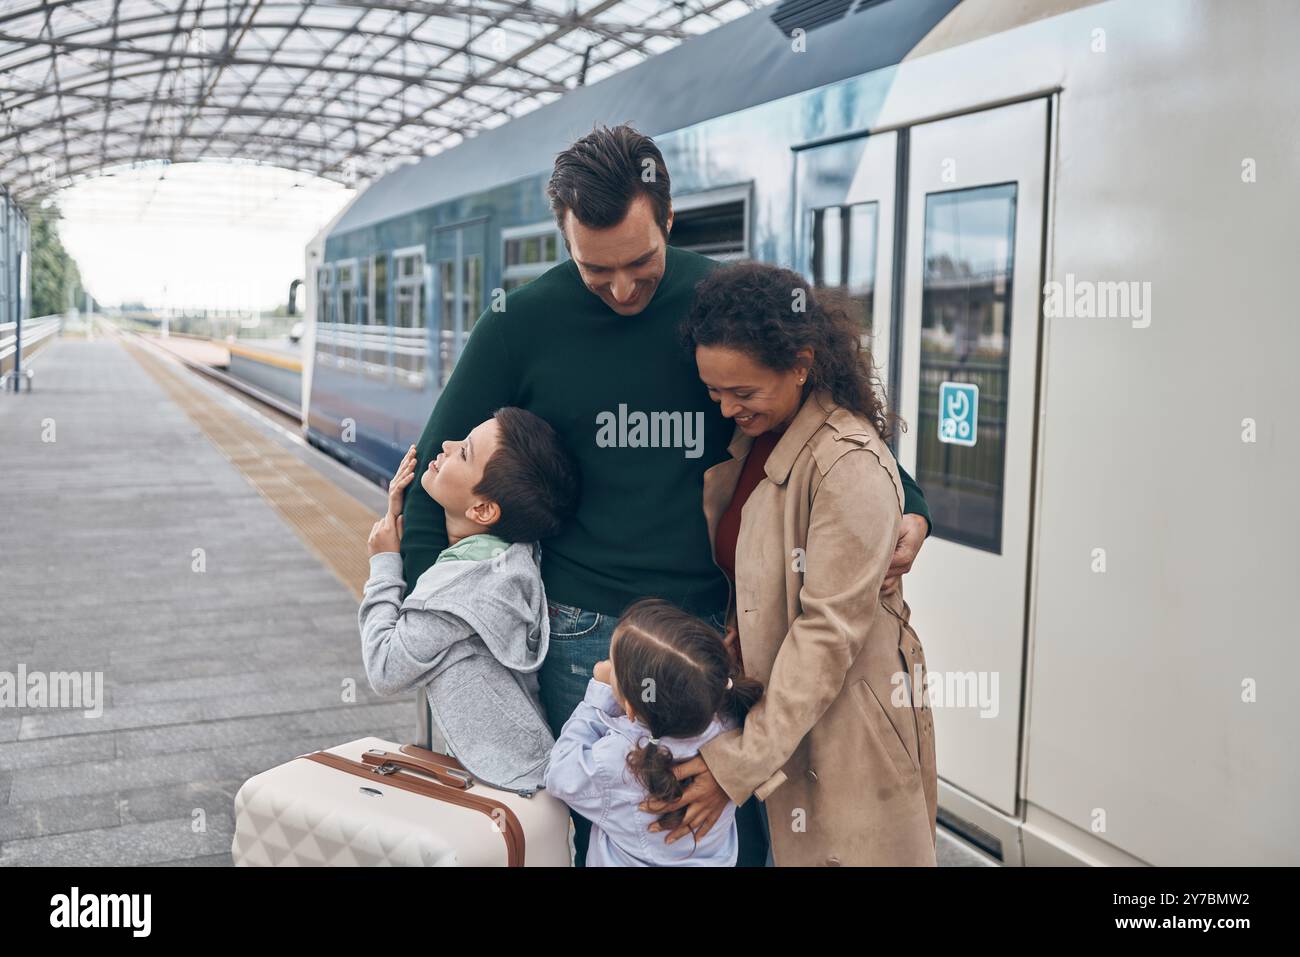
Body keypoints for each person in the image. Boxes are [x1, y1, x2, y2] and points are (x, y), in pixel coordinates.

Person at [400, 124, 933, 865]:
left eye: (641, 264)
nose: (621, 289)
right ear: (565, 236)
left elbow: (822, 412)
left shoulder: (719, 305)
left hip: (724, 635)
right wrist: (428, 624)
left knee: (729, 834)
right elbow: (431, 476)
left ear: (670, 218)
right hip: (588, 643)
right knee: (604, 839)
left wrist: (907, 497)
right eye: (595, 270)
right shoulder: (518, 325)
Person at [642, 262, 938, 865]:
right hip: (781, 724)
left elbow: (827, 634)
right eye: (714, 392)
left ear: (802, 364)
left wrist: (735, 766)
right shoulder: (762, 437)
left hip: (846, 741)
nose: (725, 409)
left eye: (743, 392)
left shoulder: (846, 462)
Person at [360, 406, 579, 791]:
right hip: (520, 777)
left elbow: (384, 667)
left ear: (482, 509)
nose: (446, 444)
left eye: (463, 451)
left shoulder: (455, 594)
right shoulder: (515, 556)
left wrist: (384, 562)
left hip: (491, 786)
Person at [543, 598, 764, 866]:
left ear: (632, 709)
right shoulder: (728, 722)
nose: (606, 666)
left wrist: (597, 697)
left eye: (612, 663)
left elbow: (559, 773)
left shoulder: (616, 760)